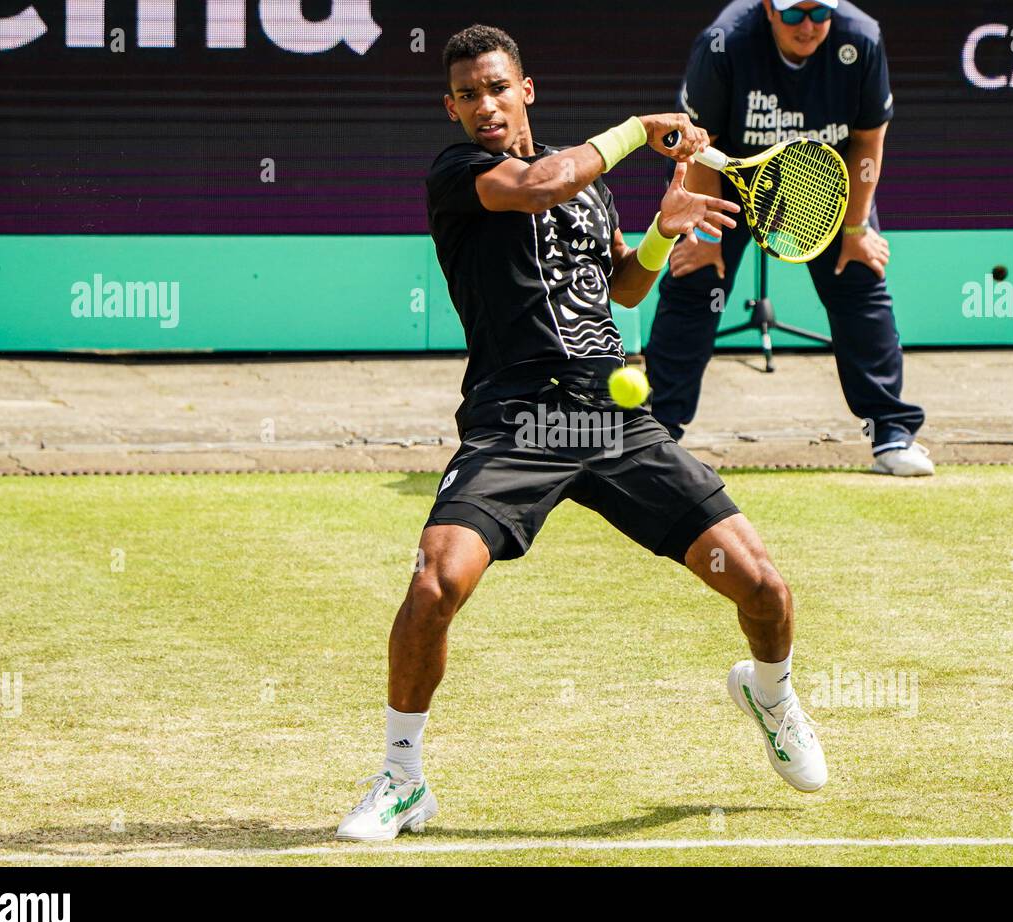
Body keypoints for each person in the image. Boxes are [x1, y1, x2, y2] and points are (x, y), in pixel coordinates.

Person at [336, 24, 827, 842]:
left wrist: (663, 231)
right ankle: (401, 779)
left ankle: (770, 695)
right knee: (433, 586)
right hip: (515, 418)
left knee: (766, 591)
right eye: (467, 94)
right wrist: (641, 128)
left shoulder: (588, 186)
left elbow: (622, 289)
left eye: (498, 87)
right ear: (451, 108)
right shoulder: (461, 174)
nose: (485, 105)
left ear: (526, 89)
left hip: (611, 417)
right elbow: (541, 185)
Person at [648, 0, 934, 477]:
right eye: (795, 15)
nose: (808, 27)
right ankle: (657, 436)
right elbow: (699, 143)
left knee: (859, 273)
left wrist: (856, 229)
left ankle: (891, 434)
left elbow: (868, 139)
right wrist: (706, 238)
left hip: (821, 174)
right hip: (731, 176)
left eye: (819, 15)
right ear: (768, 9)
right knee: (696, 278)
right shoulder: (725, 41)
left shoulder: (862, 38)